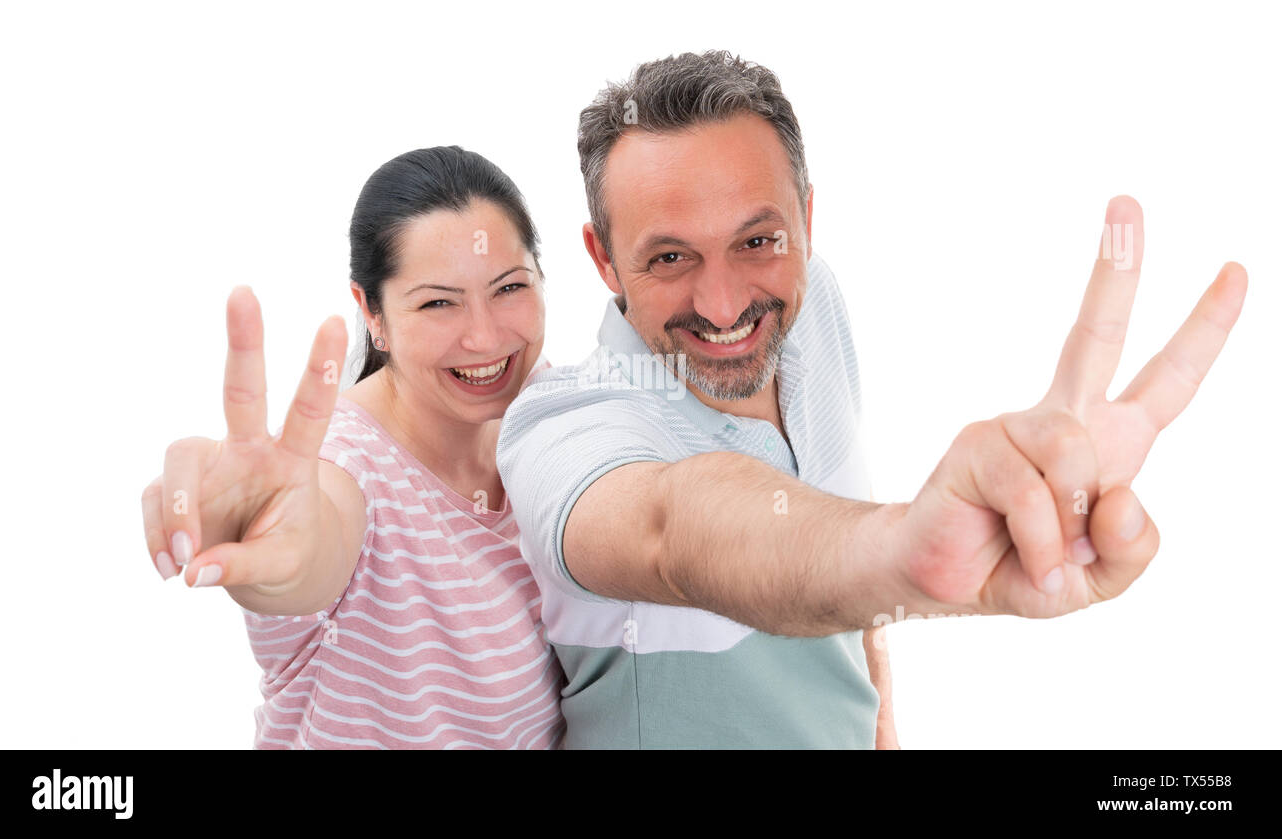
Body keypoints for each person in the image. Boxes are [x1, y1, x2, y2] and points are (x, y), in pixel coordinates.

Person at [494, 50, 1248, 748]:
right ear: (602, 258)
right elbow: (672, 530)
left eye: (758, 241)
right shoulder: (561, 423)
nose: (724, 306)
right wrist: (904, 544)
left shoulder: (812, 306)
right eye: (669, 256)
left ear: (807, 220)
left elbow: (846, 594)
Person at [141, 146, 566, 748]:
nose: (485, 335)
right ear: (373, 313)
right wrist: (270, 538)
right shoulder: (345, 470)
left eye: (508, 287)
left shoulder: (549, 410)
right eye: (438, 302)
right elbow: (312, 547)